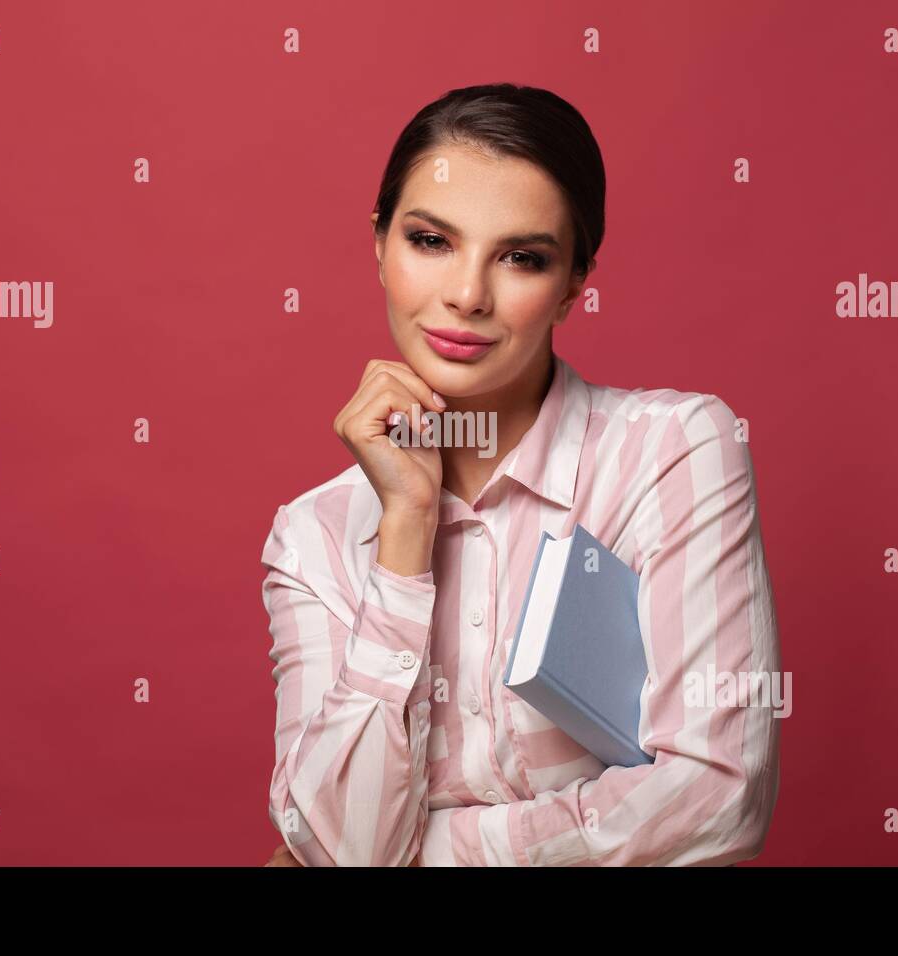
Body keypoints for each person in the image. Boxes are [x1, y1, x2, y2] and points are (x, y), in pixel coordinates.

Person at [260, 83, 781, 866]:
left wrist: (433, 851)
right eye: (431, 241)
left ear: (574, 282)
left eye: (522, 258)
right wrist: (405, 530)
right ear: (378, 242)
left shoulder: (670, 451)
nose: (467, 296)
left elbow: (714, 797)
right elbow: (348, 847)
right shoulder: (314, 539)